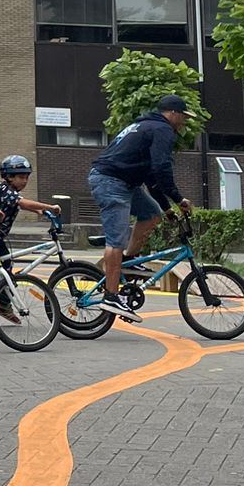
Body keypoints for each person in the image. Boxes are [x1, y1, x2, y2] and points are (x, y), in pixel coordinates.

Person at [86, 94, 194, 322]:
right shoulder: (162, 130)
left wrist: (166, 208)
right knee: (116, 240)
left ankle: (127, 261)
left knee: (152, 215)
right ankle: (111, 295)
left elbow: (151, 176)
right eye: (183, 116)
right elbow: (161, 168)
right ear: (173, 113)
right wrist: (178, 198)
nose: (183, 122)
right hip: (110, 181)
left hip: (124, 181)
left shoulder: (143, 126)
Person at [0, 155, 61, 328]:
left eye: (27, 177)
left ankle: (3, 306)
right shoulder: (5, 190)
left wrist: (41, 212)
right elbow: (23, 203)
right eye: (21, 177)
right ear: (8, 177)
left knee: (7, 270)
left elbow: (20, 205)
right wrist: (49, 207)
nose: (25, 181)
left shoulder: (12, 193)